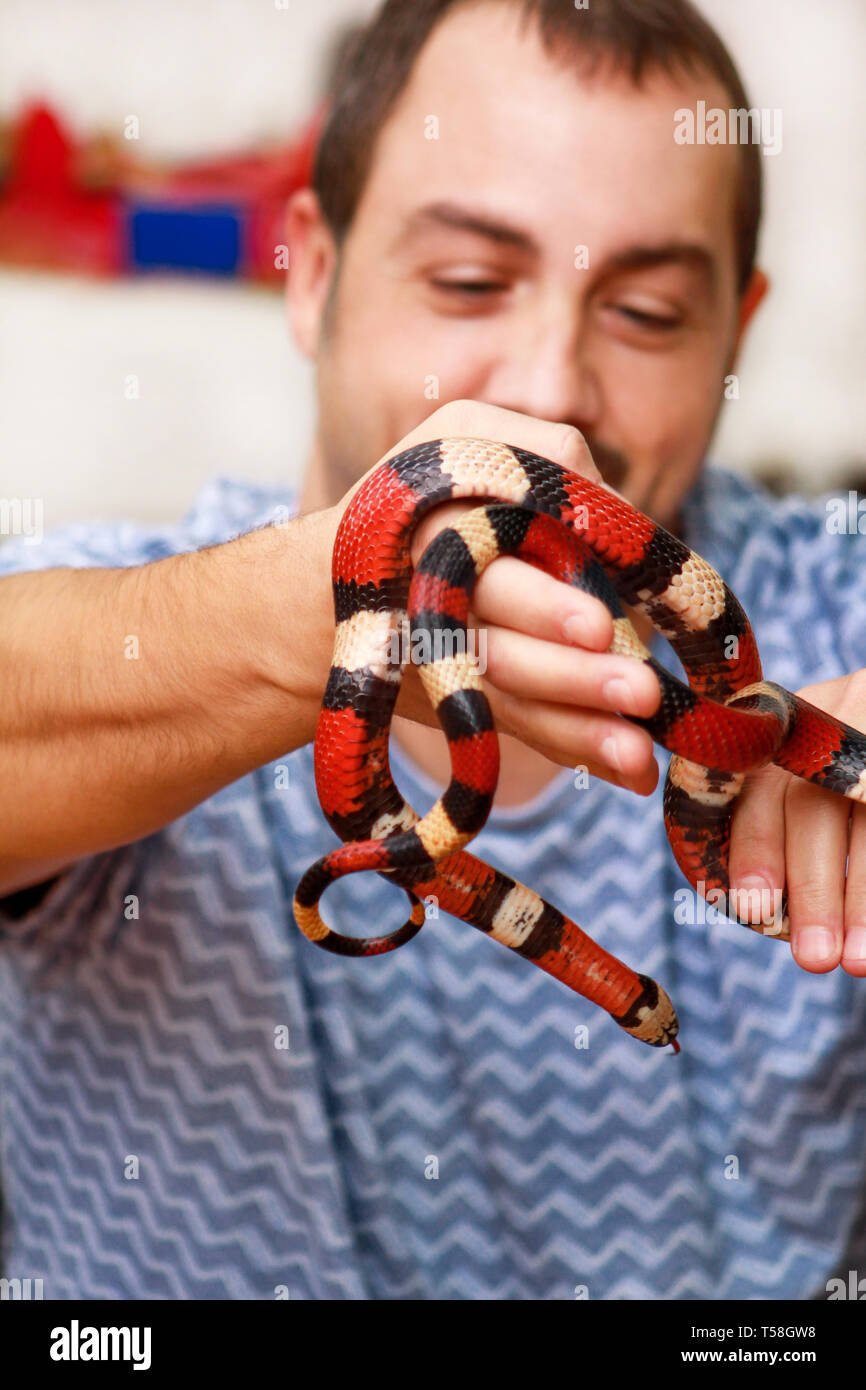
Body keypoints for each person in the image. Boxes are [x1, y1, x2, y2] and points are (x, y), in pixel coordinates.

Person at [2, 0, 865, 1300]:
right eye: (467, 280)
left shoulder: (826, 592)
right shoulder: (115, 613)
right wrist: (333, 610)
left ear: (733, 331)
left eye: (642, 309)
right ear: (311, 271)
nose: (548, 384)